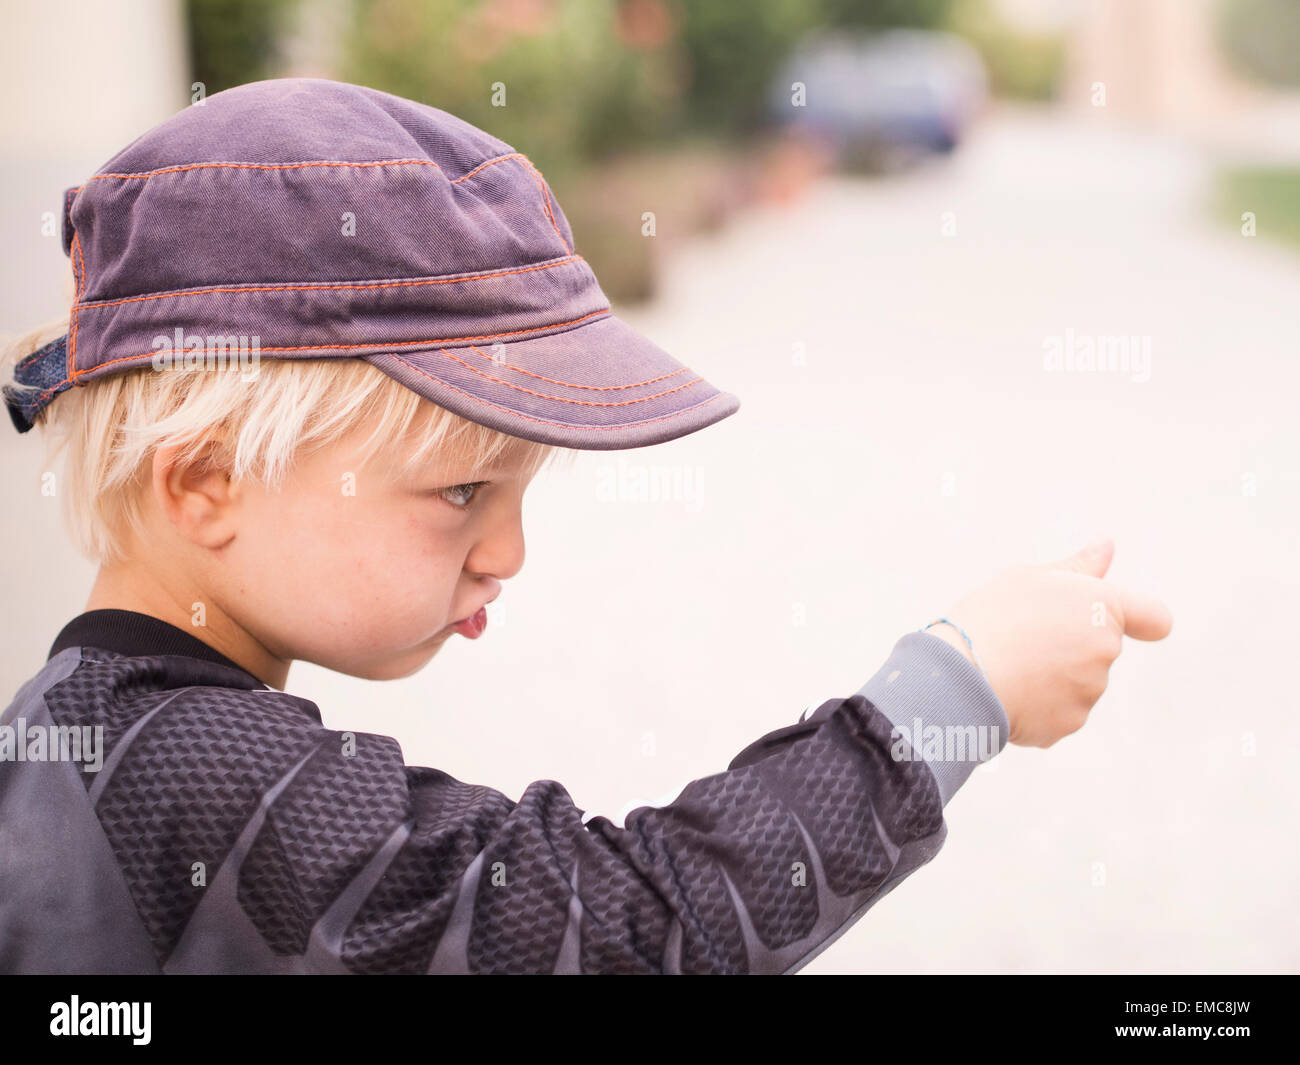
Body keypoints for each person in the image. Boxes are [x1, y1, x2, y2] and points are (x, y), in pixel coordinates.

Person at [0, 79, 1171, 974]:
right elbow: (623, 929)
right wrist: (960, 693)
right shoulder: (190, 777)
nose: (509, 553)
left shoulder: (88, 743)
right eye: (462, 493)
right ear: (203, 482)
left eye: (521, 493)